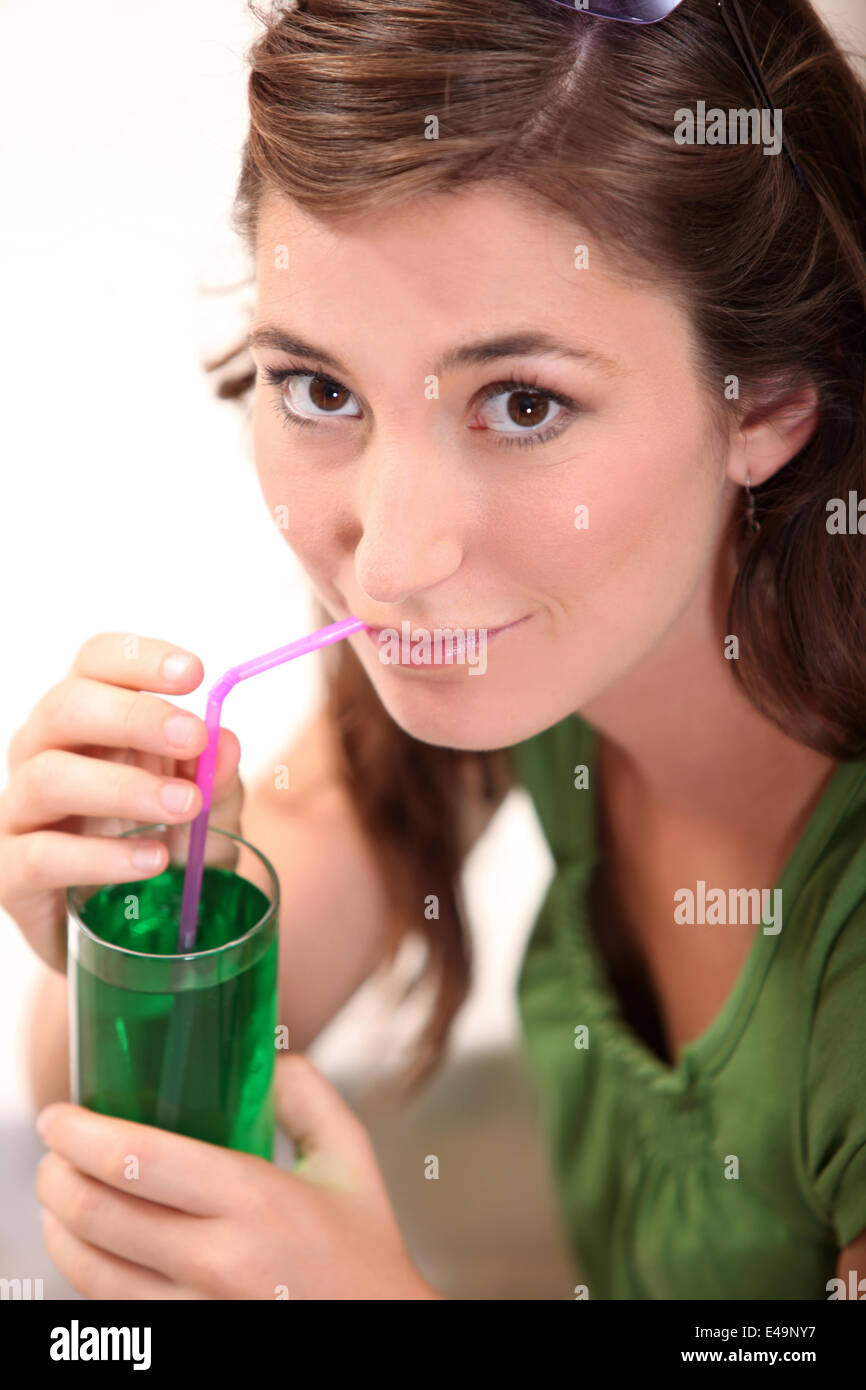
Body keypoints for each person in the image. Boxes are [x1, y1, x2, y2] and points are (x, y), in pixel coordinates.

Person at [2, 0, 865, 1299]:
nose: (392, 559)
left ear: (776, 400)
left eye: (522, 404)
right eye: (321, 389)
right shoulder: (530, 664)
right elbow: (107, 1128)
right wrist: (132, 934)